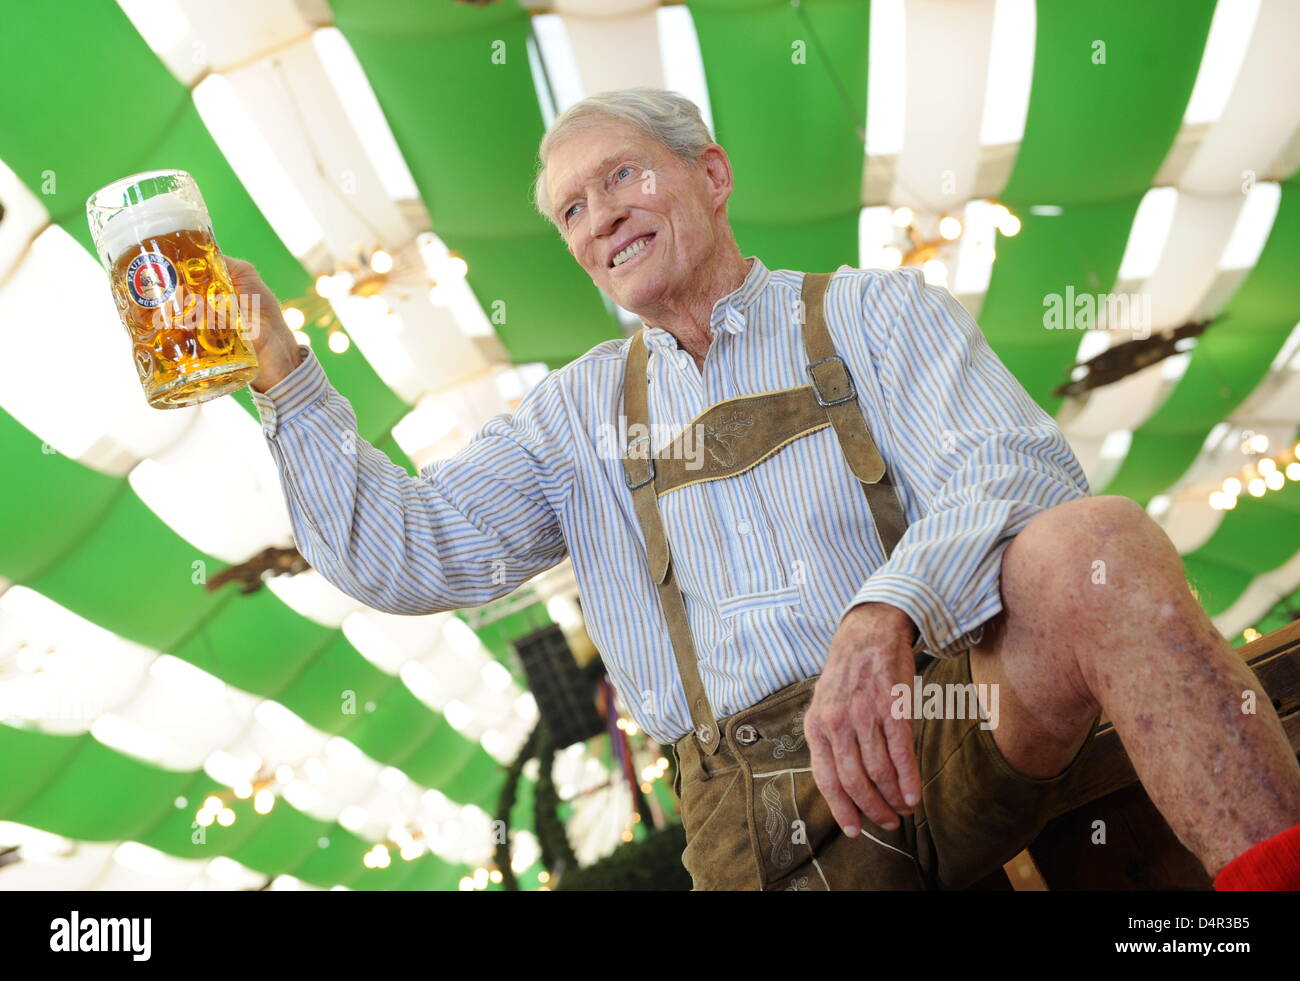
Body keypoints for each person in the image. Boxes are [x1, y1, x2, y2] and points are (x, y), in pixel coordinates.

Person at [232, 87, 1300, 891]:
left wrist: (887, 612)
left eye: (622, 177)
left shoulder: (876, 315)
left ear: (713, 176)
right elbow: (405, 554)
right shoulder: (569, 421)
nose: (598, 217)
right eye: (570, 212)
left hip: (938, 709)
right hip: (752, 810)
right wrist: (285, 377)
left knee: (1092, 543)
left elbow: (1016, 468)